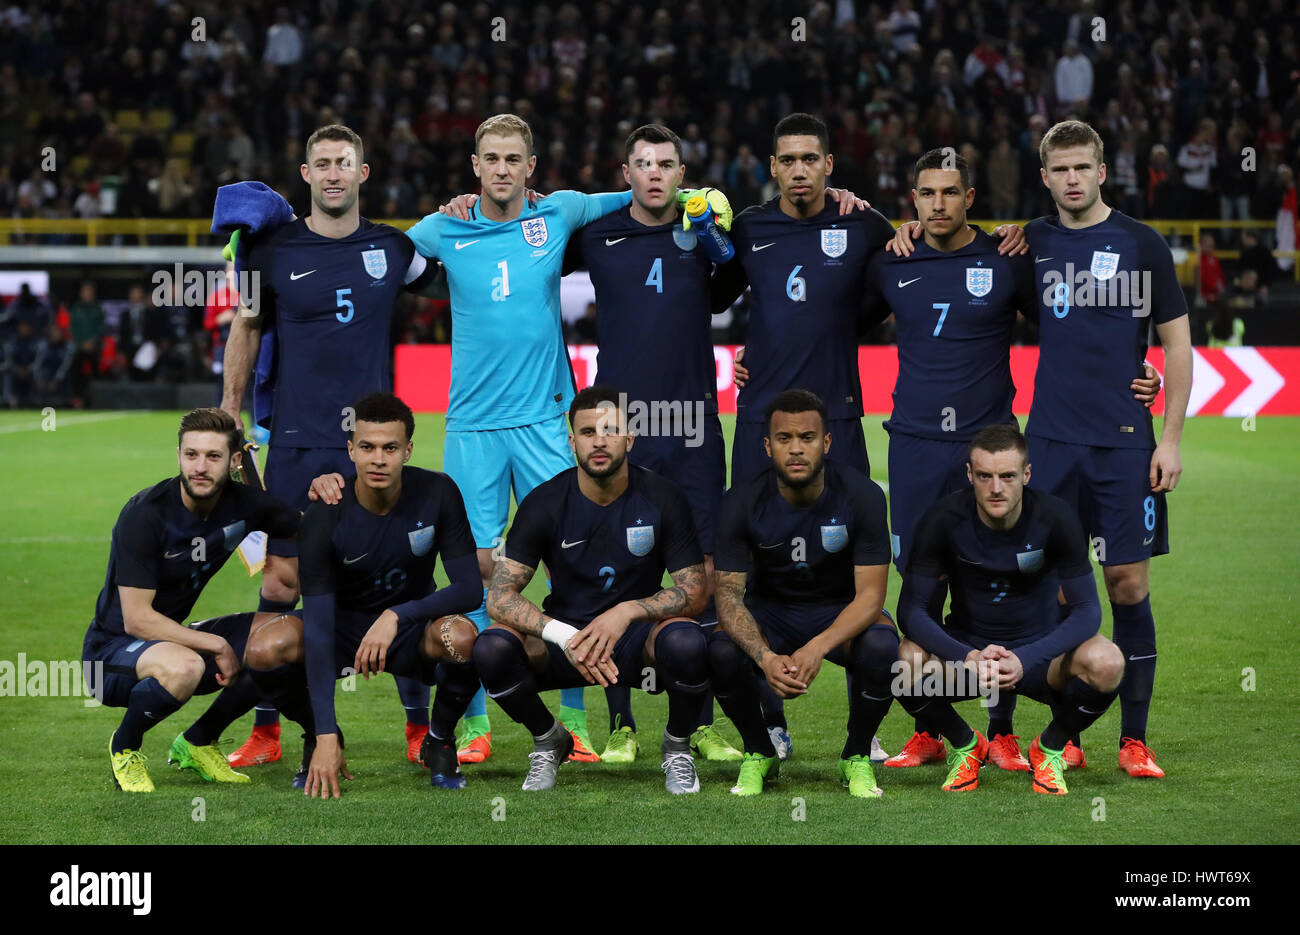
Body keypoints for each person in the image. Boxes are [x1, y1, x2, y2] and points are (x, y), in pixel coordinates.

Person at [866, 149, 1160, 773]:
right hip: (915, 444)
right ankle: (934, 731)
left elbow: (1076, 324)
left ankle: (1001, 730)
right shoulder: (890, 261)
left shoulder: (1010, 258)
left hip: (990, 446)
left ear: (970, 197)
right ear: (911, 200)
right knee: (920, 582)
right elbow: (828, 322)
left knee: (1005, 575)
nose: (938, 204)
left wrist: (1136, 373)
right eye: (927, 194)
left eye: (950, 192)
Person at [406, 114, 640, 764]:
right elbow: (388, 256)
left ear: (531, 167)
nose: (503, 168)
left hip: (544, 421)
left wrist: (705, 201)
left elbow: (642, 193)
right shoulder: (443, 227)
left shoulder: (560, 211)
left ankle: (576, 717)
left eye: (514, 158)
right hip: (473, 428)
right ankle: (473, 723)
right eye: (492, 158)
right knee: (475, 573)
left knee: (570, 569)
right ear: (476, 166)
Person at [220, 124, 446, 770]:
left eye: (345, 163)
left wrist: (465, 212)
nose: (334, 174)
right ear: (307, 173)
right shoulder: (271, 250)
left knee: (396, 573)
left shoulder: (395, 249)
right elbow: (248, 325)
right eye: (323, 164)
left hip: (372, 443)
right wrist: (231, 415)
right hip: (294, 440)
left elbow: (465, 278)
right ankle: (268, 728)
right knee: (282, 579)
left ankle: (419, 727)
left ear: (364, 172)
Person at [474, 386, 711, 793]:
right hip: (569, 640)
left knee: (688, 643)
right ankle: (549, 738)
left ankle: (676, 749)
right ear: (572, 441)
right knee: (491, 648)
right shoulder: (545, 502)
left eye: (610, 430)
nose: (599, 441)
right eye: (587, 432)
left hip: (635, 641)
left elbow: (694, 591)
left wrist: (626, 612)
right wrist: (562, 634)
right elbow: (499, 597)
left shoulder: (663, 497)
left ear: (629, 438)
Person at [248, 392, 483, 795]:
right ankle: (320, 738)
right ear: (350, 450)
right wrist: (324, 733)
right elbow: (319, 629)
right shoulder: (325, 514)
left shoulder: (439, 492)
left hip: (408, 629)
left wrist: (396, 616)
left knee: (461, 637)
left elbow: (469, 589)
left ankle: (440, 741)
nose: (379, 459)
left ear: (408, 450)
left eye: (390, 447)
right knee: (264, 649)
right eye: (368, 447)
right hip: (341, 630)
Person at [895, 424, 1124, 796]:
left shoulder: (1056, 517)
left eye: (1007, 476)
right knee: (904, 660)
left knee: (1108, 662)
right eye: (984, 476)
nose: (996, 488)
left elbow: (1087, 611)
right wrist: (965, 654)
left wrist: (1025, 657)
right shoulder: (943, 519)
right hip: (970, 660)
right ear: (970, 474)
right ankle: (966, 746)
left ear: (1026, 475)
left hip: (1040, 661)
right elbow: (912, 611)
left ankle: (1049, 746)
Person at [80, 408, 300, 792]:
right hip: (110, 655)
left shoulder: (245, 503)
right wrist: (215, 643)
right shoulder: (145, 514)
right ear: (178, 455)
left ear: (233, 461)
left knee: (283, 638)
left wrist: (337, 494)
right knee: (183, 666)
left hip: (174, 640)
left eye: (213, 457)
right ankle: (125, 746)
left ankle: (199, 740)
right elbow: (137, 621)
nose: (200, 467)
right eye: (191, 454)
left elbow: (309, 527)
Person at [709, 390, 899, 798]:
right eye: (784, 438)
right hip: (769, 613)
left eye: (808, 437)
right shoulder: (741, 502)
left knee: (883, 644)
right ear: (767, 446)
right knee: (722, 650)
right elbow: (727, 596)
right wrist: (764, 656)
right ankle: (759, 751)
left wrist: (817, 647)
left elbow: (870, 597)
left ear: (826, 443)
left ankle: (857, 754)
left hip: (837, 611)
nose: (796, 448)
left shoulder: (862, 495)